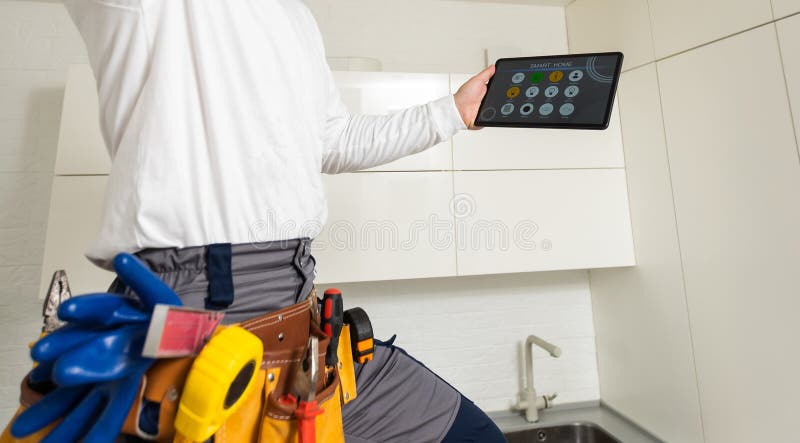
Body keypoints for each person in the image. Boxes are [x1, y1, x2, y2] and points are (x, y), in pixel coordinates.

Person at [62, 0, 505, 441]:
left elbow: (333, 138)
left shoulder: (295, 15)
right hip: (202, 310)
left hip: (303, 323)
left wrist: (451, 112)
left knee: (473, 434)